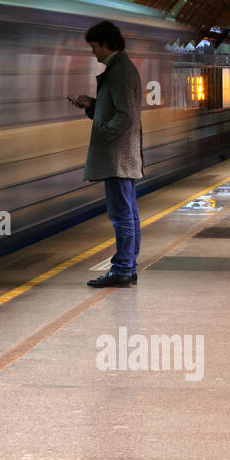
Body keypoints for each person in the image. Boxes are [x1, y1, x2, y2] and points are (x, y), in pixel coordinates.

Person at [71, 20, 143, 287]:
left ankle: (123, 268)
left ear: (105, 43)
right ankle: (128, 265)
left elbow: (126, 116)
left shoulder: (120, 71)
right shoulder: (120, 68)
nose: (93, 52)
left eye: (94, 47)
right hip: (120, 155)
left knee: (121, 214)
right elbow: (117, 109)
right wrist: (93, 106)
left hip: (118, 157)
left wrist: (102, 134)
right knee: (127, 212)